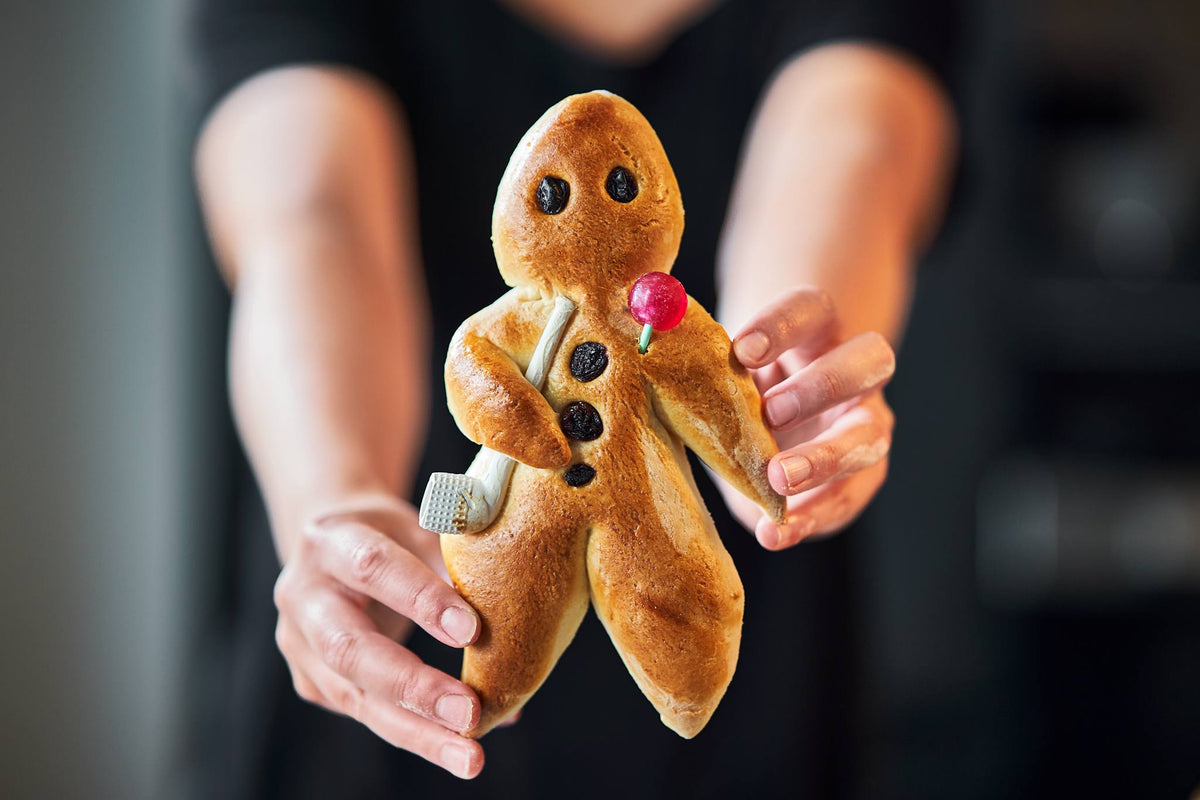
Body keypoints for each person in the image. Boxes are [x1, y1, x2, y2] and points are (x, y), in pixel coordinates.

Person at [188, 0, 958, 796]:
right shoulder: (510, 326)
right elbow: (316, 215)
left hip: (752, 683)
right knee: (492, 637)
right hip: (405, 600)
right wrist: (338, 491)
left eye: (619, 185)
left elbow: (853, 146)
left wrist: (786, 401)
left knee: (683, 631)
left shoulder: (671, 319)